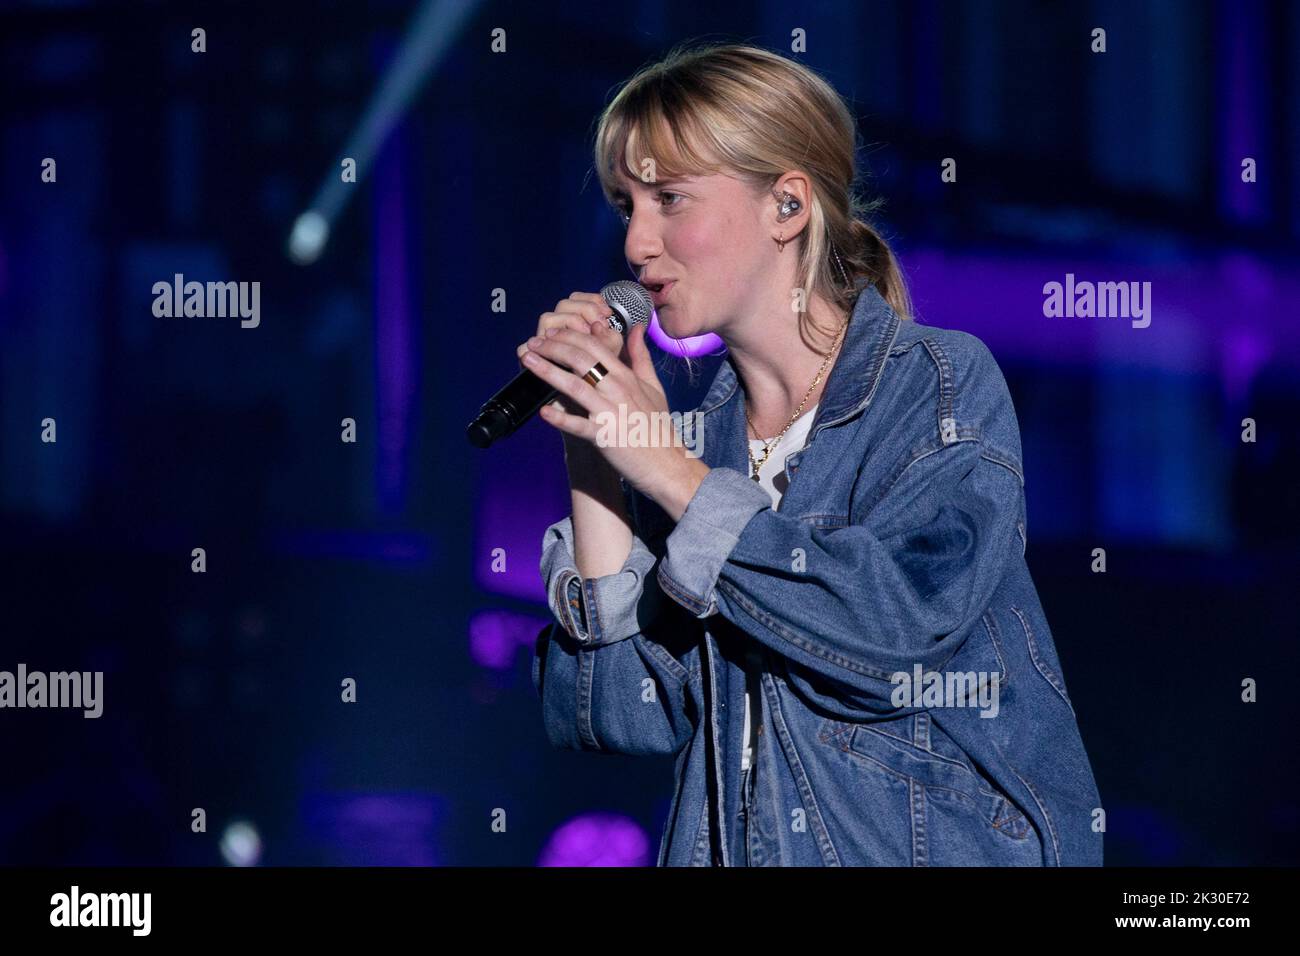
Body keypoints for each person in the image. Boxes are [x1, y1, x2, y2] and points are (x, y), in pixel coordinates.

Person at [525, 41, 1102, 866]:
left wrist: (669, 473)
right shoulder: (698, 443)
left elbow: (896, 625)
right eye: (626, 206)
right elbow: (627, 717)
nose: (637, 245)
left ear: (787, 206)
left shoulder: (934, 381)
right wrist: (595, 457)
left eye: (669, 198)